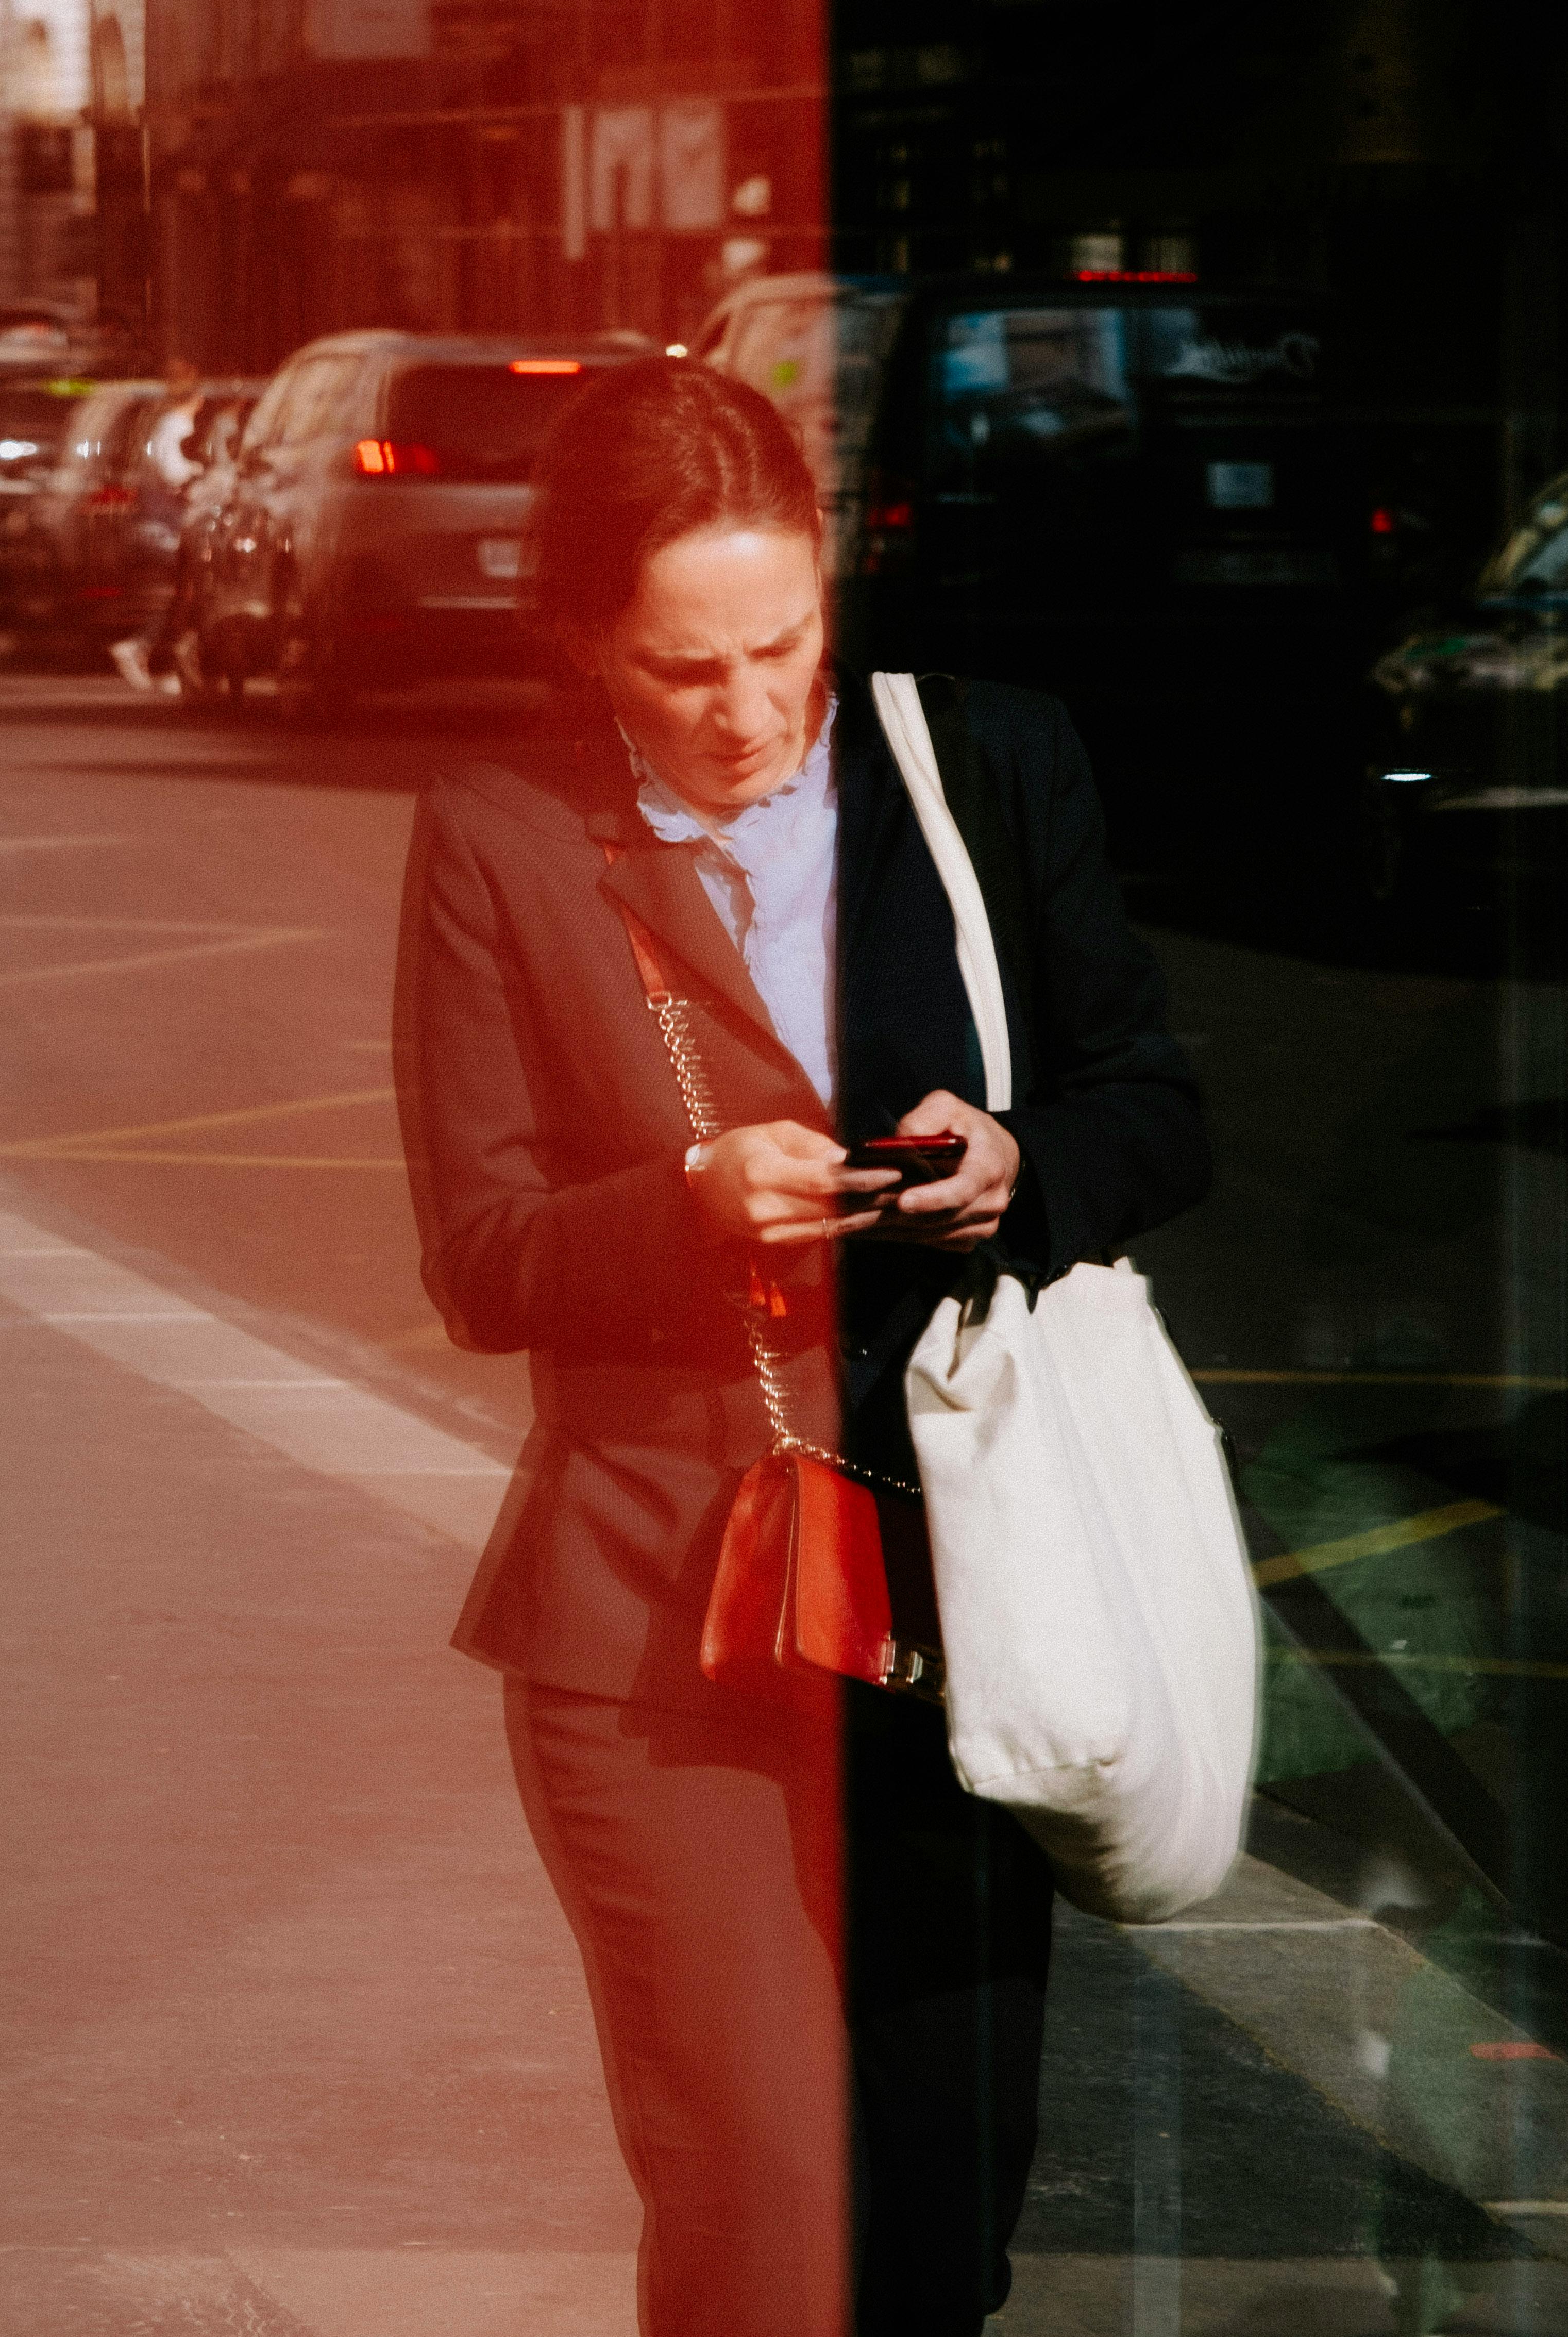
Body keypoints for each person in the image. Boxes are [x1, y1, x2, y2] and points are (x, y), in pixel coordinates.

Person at [394, 358, 1211, 2337]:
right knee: (763, 2227)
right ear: (587, 635)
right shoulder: (503, 831)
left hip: (968, 1612)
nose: (751, 711)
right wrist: (679, 1210)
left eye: (787, 644)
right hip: (660, 1632)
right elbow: (483, 1256)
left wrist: (1019, 1167)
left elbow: (1154, 1105)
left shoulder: (987, 771)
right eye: (687, 670)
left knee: (937, 2243)